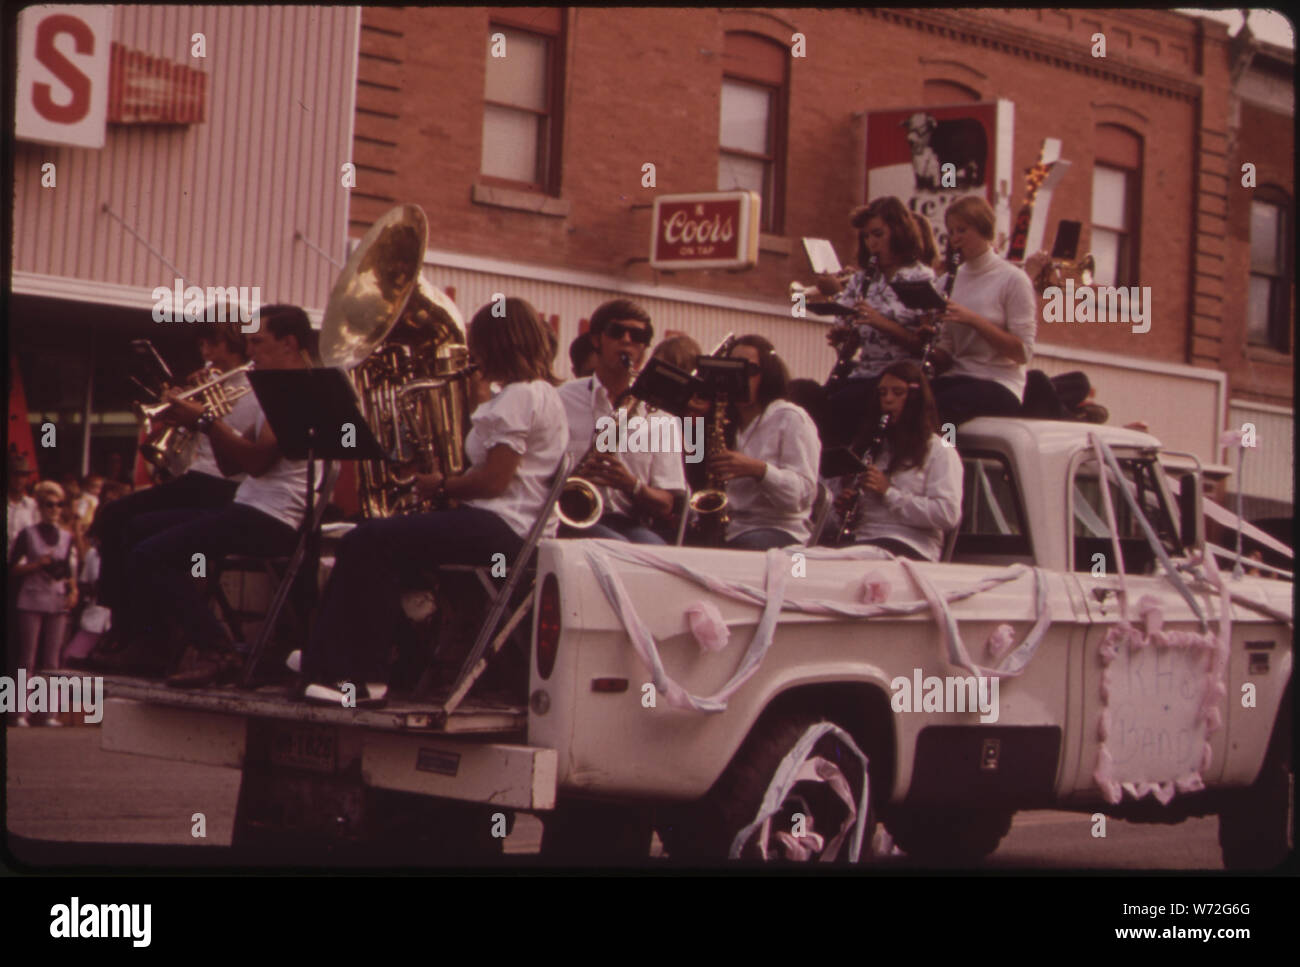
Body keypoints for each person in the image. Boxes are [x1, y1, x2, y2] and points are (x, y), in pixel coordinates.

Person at [298, 297, 569, 705]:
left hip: (502, 527)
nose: (473, 355)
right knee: (379, 544)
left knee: (368, 540)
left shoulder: (519, 397)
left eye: (477, 345)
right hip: (511, 526)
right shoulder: (541, 394)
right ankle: (333, 657)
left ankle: (363, 678)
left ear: (495, 344)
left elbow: (495, 481)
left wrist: (440, 484)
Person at [126, 306, 321, 687]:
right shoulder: (275, 392)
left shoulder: (299, 391)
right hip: (251, 506)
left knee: (151, 553)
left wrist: (205, 420)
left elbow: (259, 462)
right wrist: (209, 419)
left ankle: (217, 649)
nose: (252, 353)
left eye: (258, 343)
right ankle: (147, 641)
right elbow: (234, 467)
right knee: (137, 529)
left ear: (289, 343)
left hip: (273, 517)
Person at [89, 324, 258, 670]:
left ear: (230, 343)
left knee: (137, 527)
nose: (205, 352)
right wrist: (179, 415)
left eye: (210, 343)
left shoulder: (250, 391)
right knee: (113, 514)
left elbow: (238, 452)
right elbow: (184, 456)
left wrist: (203, 414)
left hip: (227, 486)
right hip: (199, 478)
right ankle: (124, 623)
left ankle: (147, 637)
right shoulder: (214, 384)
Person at [558, 299, 683, 544]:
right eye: (617, 332)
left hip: (630, 522)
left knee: (657, 550)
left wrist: (631, 485)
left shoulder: (660, 418)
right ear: (597, 340)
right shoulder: (561, 399)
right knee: (618, 548)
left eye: (637, 336)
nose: (627, 340)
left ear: (644, 348)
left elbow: (666, 503)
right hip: (566, 519)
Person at [821, 197, 937, 447]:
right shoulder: (862, 280)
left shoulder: (921, 277)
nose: (872, 243)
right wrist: (843, 340)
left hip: (899, 378)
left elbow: (924, 345)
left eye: (878, 234)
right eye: (866, 237)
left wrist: (879, 322)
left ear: (898, 232)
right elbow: (850, 346)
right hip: (863, 371)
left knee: (849, 406)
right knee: (820, 405)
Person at [834, 361, 963, 561]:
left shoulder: (939, 450)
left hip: (911, 547)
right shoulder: (872, 446)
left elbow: (947, 514)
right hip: (865, 541)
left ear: (915, 398)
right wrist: (846, 507)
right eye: (883, 393)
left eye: (897, 392)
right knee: (800, 557)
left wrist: (888, 492)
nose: (888, 400)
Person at [700, 335, 820, 550]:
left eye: (751, 370)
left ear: (767, 375)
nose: (741, 377)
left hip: (780, 530)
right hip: (733, 526)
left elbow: (803, 496)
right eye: (734, 369)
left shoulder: (791, 417)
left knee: (737, 551)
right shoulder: (724, 419)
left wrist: (758, 470)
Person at [928, 195, 1038, 425]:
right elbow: (947, 348)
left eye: (962, 230)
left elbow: (1023, 352)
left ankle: (945, 458)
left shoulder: (1013, 279)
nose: (955, 239)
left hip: (999, 383)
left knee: (941, 408)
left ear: (983, 229)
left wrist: (974, 321)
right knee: (907, 400)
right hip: (958, 376)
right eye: (951, 232)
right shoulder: (947, 280)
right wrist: (926, 340)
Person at [9, 481, 79, 724]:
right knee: (27, 658)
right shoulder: (27, 534)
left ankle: (49, 712)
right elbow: (11, 568)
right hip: (31, 597)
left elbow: (68, 569)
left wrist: (73, 589)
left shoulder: (66, 536)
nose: (55, 510)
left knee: (52, 659)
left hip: (56, 598)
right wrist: (36, 565)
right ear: (39, 505)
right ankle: (20, 712)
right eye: (49, 505)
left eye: (59, 505)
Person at [7, 450, 38, 557]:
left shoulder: (33, 506)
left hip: (24, 567)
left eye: (23, 475)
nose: (19, 479)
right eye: (16, 474)